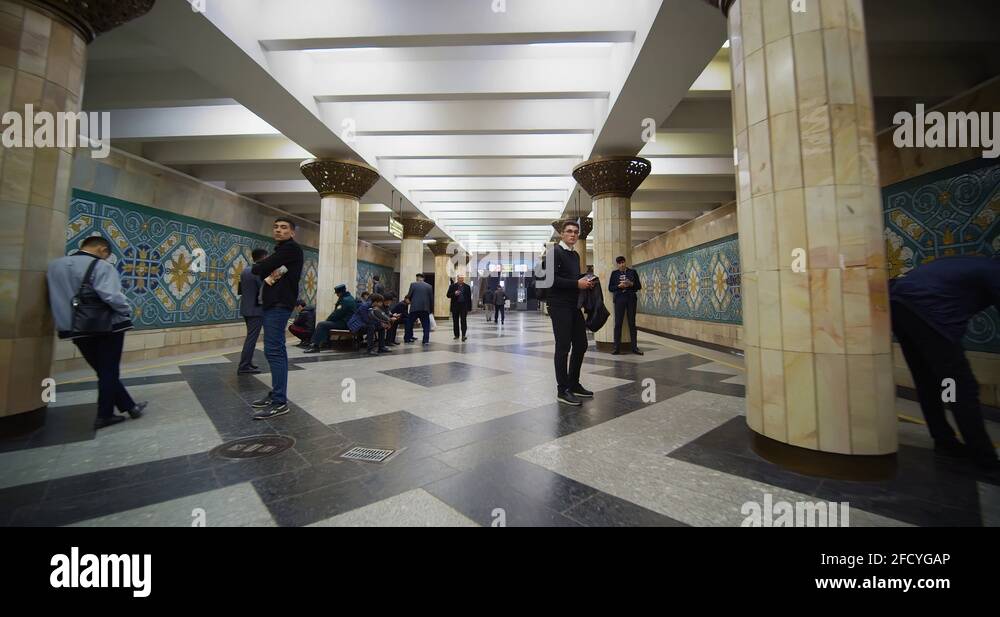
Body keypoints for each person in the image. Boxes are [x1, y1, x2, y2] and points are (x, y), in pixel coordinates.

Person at [889, 255, 1000, 471]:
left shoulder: (973, 263)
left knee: (928, 380)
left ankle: (944, 440)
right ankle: (984, 458)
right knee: (959, 386)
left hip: (898, 302)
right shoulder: (994, 270)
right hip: (929, 312)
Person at [46, 235, 147, 429]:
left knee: (103, 370)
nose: (106, 258)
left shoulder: (54, 267)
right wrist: (126, 311)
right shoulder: (101, 266)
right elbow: (112, 296)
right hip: (105, 327)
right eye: (107, 254)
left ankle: (130, 406)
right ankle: (105, 415)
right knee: (109, 370)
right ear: (102, 250)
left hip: (73, 328)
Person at [249, 218, 303, 420]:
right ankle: (276, 394)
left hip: (279, 304)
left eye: (284, 228)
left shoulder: (290, 249)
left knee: (274, 349)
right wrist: (266, 267)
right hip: (274, 304)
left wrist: (263, 266)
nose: (279, 230)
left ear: (292, 232)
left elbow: (259, 268)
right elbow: (268, 269)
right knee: (273, 349)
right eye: (276, 227)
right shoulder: (282, 251)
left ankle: (280, 401)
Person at [544, 220, 595, 406]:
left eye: (575, 232)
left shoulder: (574, 255)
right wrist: (576, 284)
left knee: (581, 344)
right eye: (569, 231)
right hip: (558, 306)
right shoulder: (554, 253)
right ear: (562, 234)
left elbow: (571, 278)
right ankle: (562, 390)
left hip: (574, 305)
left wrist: (584, 280)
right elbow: (550, 280)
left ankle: (573, 384)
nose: (572, 234)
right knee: (563, 347)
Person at [236, 248, 267, 374]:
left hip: (246, 308)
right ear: (263, 257)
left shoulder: (245, 270)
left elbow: (241, 290)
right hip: (256, 310)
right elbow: (263, 288)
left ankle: (248, 362)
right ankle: (244, 366)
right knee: (251, 339)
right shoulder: (258, 272)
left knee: (250, 336)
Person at [304, 284, 357, 354]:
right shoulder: (349, 298)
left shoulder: (345, 301)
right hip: (347, 322)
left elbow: (337, 314)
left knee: (321, 324)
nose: (337, 295)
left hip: (344, 323)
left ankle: (315, 346)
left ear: (340, 293)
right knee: (325, 325)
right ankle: (324, 343)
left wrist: (327, 320)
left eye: (337, 294)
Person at [608, 255, 643, 355]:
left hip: (631, 299)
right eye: (619, 263)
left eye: (623, 262)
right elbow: (610, 288)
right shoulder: (614, 274)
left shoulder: (632, 272)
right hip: (619, 300)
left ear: (625, 262)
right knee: (618, 323)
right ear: (617, 264)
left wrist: (631, 284)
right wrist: (619, 286)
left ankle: (634, 347)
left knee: (632, 323)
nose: (622, 264)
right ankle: (616, 348)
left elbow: (639, 286)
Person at [405, 273, 433, 345]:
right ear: (423, 278)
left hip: (414, 308)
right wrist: (431, 310)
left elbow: (409, 295)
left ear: (417, 278)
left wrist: (409, 299)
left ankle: (407, 339)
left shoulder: (413, 284)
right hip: (425, 309)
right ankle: (425, 341)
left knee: (409, 324)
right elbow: (431, 299)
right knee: (426, 326)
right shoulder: (429, 286)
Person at [447, 274, 473, 341]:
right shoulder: (452, 286)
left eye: (462, 278)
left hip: (464, 306)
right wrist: (454, 293)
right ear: (457, 279)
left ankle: (463, 335)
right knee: (455, 321)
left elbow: (469, 298)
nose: (461, 279)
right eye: (459, 278)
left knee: (463, 320)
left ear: (463, 279)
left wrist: (469, 308)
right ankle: (456, 335)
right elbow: (448, 295)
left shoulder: (467, 287)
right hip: (455, 306)